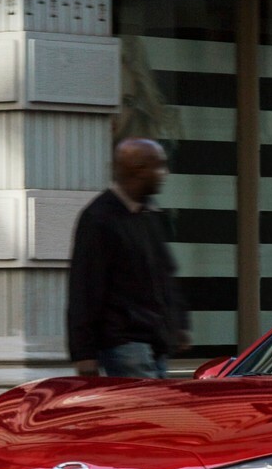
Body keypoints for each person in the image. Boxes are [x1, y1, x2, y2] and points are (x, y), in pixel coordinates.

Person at [67, 138, 191, 378]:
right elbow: (85, 287)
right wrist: (84, 354)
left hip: (154, 340)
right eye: (159, 166)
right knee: (148, 409)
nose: (164, 173)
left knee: (151, 410)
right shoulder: (100, 218)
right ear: (139, 170)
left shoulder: (149, 213)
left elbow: (165, 273)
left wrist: (178, 322)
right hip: (123, 341)